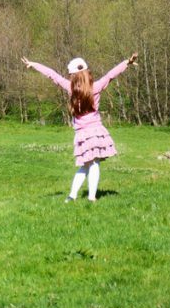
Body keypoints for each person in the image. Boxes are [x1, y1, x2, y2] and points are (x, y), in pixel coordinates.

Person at [21, 52, 138, 202]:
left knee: (87, 164)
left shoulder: (71, 88)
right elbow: (111, 75)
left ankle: (72, 195)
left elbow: (53, 75)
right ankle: (90, 197)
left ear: (73, 76)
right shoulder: (95, 87)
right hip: (95, 131)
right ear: (86, 74)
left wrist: (34, 65)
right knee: (94, 164)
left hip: (82, 134)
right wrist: (126, 63)